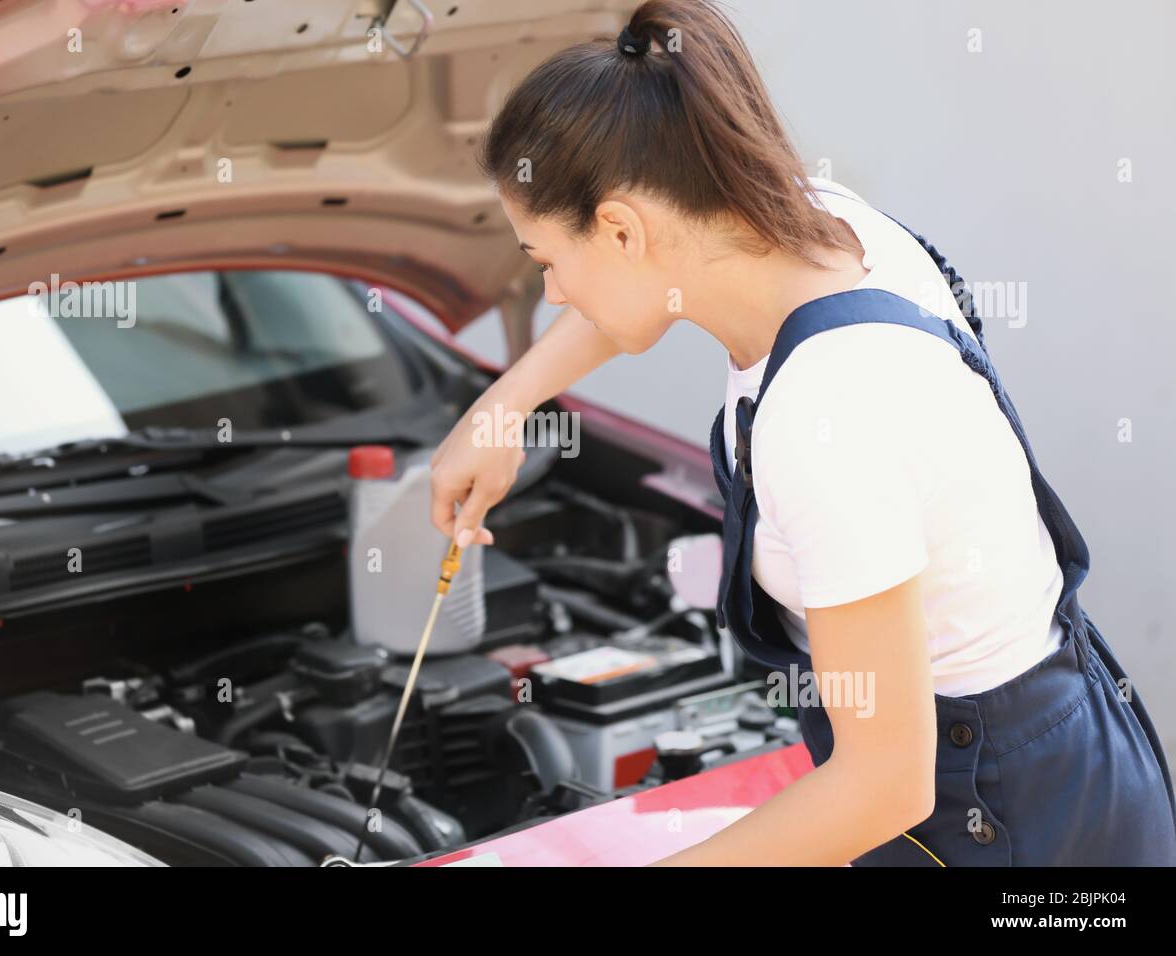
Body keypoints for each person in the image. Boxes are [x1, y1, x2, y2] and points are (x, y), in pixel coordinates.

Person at [429, 0, 1176, 865]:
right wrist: (500, 408)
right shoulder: (806, 220)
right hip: (1062, 745)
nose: (552, 295)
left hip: (1013, 827)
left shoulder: (826, 418)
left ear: (624, 229)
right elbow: (645, 285)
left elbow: (886, 784)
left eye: (547, 263)